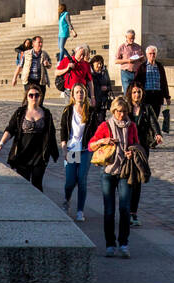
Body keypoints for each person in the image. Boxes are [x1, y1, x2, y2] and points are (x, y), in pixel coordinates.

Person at [88, 95, 139, 258]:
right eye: (118, 112)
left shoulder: (132, 126)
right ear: (113, 111)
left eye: (124, 111)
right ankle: (110, 244)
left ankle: (124, 243)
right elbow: (91, 145)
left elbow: (137, 144)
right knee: (109, 210)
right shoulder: (105, 125)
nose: (121, 115)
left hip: (125, 171)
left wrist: (133, 152)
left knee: (124, 208)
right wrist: (103, 140)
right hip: (108, 172)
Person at [0, 88, 59, 190]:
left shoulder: (46, 113)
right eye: (31, 95)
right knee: (24, 184)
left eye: (36, 95)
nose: (34, 97)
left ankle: (39, 205)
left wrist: (54, 151)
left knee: (37, 183)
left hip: (40, 154)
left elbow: (51, 133)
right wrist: (1, 143)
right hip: (23, 153)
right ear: (27, 97)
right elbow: (10, 129)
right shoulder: (20, 113)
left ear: (40, 97)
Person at [124, 81, 162, 227]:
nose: (137, 95)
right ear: (130, 94)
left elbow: (154, 122)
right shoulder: (125, 108)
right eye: (134, 92)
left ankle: (133, 212)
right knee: (127, 179)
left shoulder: (147, 108)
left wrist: (157, 134)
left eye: (139, 92)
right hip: (128, 148)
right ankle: (125, 210)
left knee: (138, 180)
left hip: (142, 148)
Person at [60, 82, 99, 221]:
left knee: (82, 179)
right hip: (71, 150)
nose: (80, 94)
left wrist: (96, 146)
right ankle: (67, 199)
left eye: (82, 92)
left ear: (85, 93)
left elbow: (96, 132)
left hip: (85, 150)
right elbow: (64, 132)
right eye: (77, 92)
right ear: (73, 95)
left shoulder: (91, 111)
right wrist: (64, 150)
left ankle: (80, 210)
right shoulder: (68, 111)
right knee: (70, 180)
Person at [135, 45, 171, 132]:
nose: (152, 55)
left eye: (154, 54)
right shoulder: (142, 67)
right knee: (147, 117)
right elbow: (136, 82)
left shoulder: (159, 66)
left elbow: (164, 82)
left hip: (157, 96)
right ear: (147, 55)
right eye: (150, 53)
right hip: (146, 95)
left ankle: (153, 136)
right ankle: (147, 137)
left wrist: (167, 97)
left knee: (155, 118)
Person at [18, 35, 52, 104]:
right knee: (28, 102)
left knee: (40, 103)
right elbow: (20, 66)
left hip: (40, 81)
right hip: (29, 80)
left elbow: (49, 65)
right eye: (39, 42)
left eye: (41, 42)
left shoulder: (44, 54)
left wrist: (47, 64)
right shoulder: (26, 53)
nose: (41, 44)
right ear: (33, 43)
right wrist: (15, 77)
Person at [115, 29, 144, 94]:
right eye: (130, 38)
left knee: (137, 92)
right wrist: (128, 61)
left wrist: (141, 58)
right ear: (126, 37)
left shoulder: (138, 47)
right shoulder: (122, 47)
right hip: (126, 73)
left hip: (137, 73)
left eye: (133, 38)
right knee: (128, 92)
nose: (132, 40)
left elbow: (142, 59)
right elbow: (116, 61)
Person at [90, 55, 113, 119]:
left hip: (103, 101)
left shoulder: (104, 72)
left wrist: (106, 88)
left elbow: (110, 86)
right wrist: (99, 89)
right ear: (93, 63)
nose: (100, 65)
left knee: (101, 120)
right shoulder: (89, 73)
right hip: (93, 100)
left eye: (101, 63)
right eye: (98, 63)